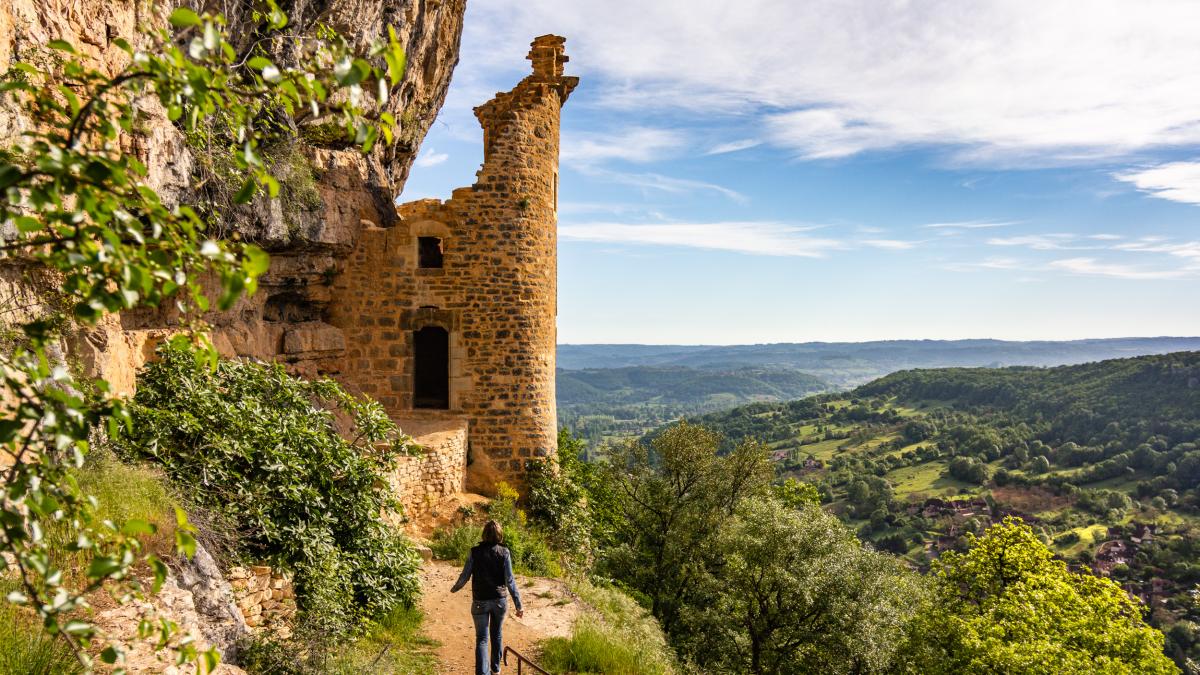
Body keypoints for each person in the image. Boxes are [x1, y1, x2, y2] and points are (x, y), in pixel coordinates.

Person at [451, 520, 524, 675]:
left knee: (482, 639)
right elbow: (509, 580)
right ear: (500, 535)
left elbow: (465, 575)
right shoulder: (505, 552)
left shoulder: (474, 552)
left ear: (484, 534)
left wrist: (455, 588)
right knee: (496, 634)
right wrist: (518, 604)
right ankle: (495, 670)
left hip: (480, 601)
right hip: (499, 600)